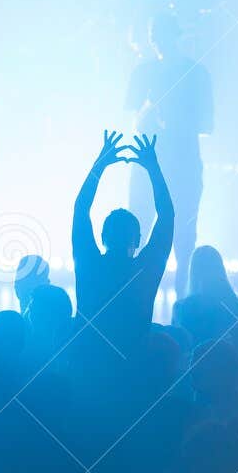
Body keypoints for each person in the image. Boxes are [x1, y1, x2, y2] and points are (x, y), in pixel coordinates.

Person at [125, 13, 212, 295]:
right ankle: (136, 294)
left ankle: (181, 297)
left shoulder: (196, 73)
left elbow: (205, 124)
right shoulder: (143, 73)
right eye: (154, 36)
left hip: (181, 165)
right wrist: (151, 110)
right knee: (137, 230)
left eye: (161, 35)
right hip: (148, 166)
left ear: (174, 37)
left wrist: (171, 118)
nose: (157, 42)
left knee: (184, 236)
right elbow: (129, 119)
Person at [72, 131, 173, 358]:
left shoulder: (89, 265)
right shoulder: (146, 270)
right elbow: (167, 215)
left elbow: (81, 208)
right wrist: (152, 168)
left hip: (88, 364)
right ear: (137, 240)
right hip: (134, 365)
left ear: (103, 238)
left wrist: (101, 164)